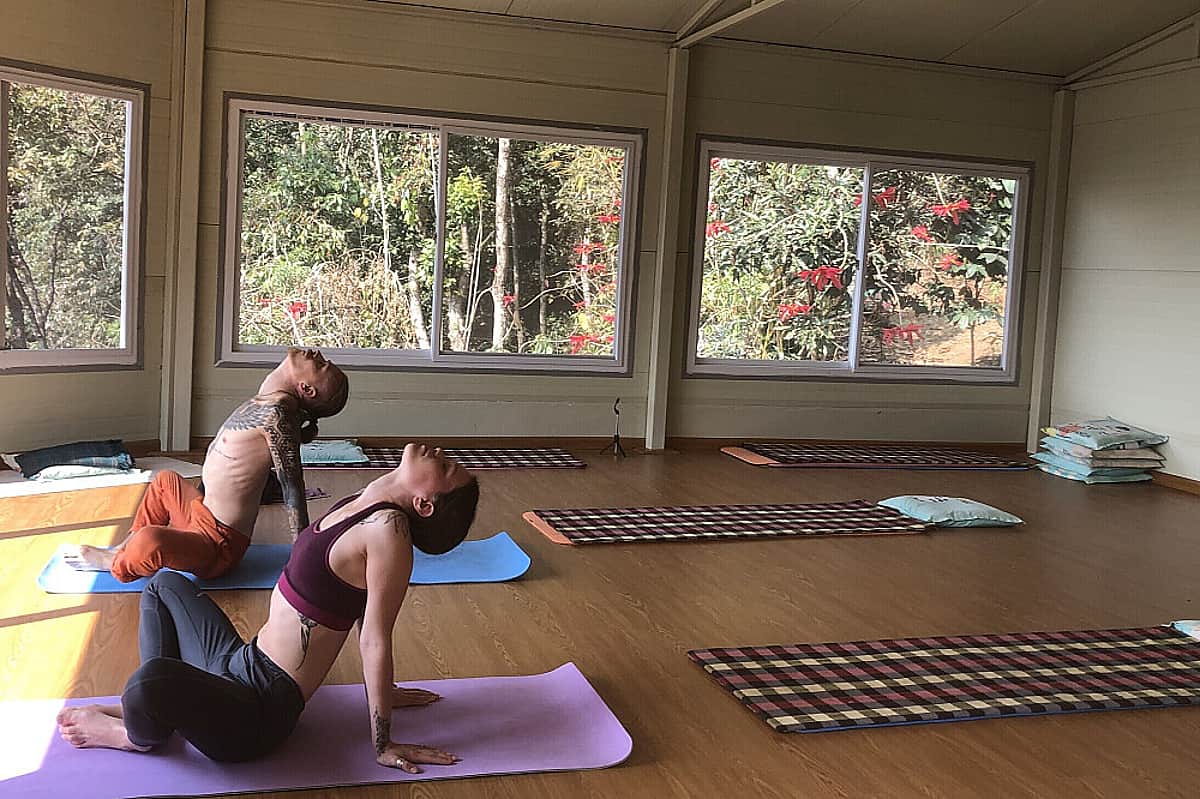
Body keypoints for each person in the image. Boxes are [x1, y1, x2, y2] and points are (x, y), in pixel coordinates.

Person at [57, 442, 480, 773]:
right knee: (164, 586)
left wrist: (383, 740)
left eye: (444, 470)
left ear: (425, 503)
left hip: (257, 713)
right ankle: (160, 711)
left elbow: (374, 637)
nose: (439, 455)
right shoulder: (368, 499)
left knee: (147, 681)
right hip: (244, 661)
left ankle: (136, 735)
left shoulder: (389, 531)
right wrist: (382, 694)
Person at [63, 348, 349, 582]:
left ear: (307, 389)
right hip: (201, 516)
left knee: (152, 542)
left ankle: (115, 562)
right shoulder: (267, 402)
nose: (316, 353)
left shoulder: (277, 416)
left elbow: (293, 487)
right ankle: (126, 546)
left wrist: (303, 558)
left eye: (321, 364)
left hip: (217, 545)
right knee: (165, 481)